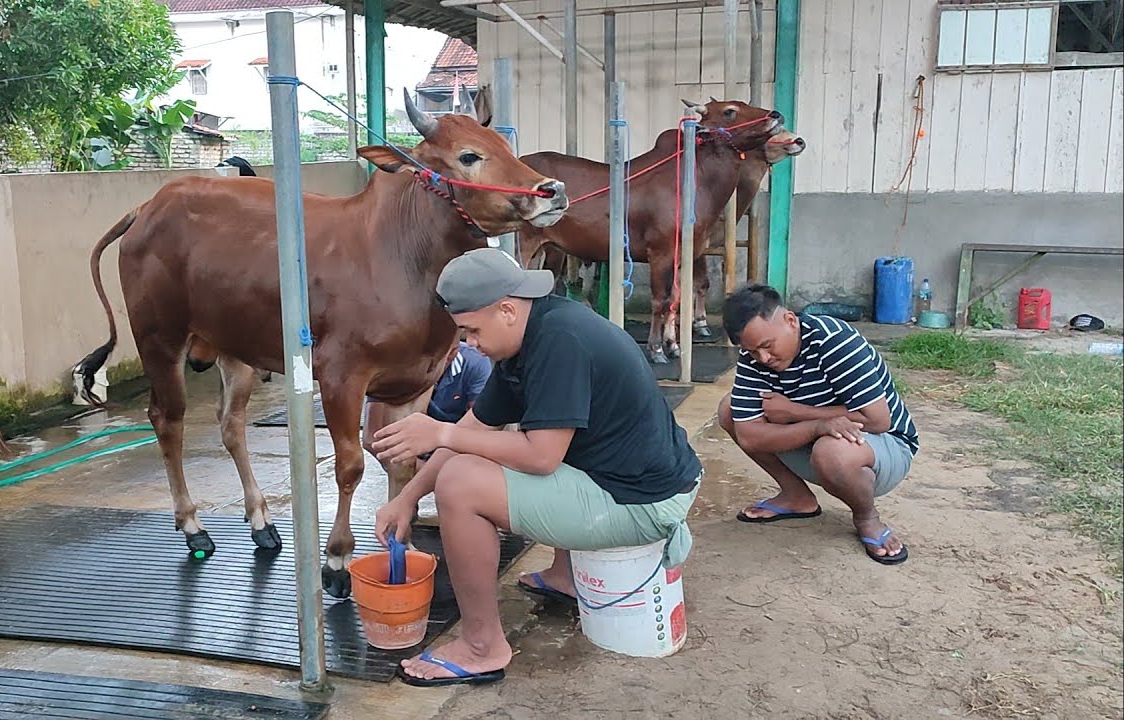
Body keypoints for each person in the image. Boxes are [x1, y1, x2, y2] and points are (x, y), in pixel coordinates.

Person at [370, 247, 703, 687]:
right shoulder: (534, 332)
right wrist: (407, 499)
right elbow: (476, 426)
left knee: (460, 483)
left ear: (506, 310)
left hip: (645, 502)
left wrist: (441, 434)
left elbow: (541, 458)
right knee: (495, 448)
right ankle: (565, 576)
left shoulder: (559, 343)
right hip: (631, 478)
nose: (469, 344)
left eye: (471, 331)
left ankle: (482, 647)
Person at [718, 284, 919, 565]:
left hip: (884, 446)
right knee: (730, 410)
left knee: (831, 450)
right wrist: (816, 427)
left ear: (790, 320)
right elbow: (750, 435)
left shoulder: (835, 341)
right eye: (752, 351)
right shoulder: (754, 358)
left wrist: (795, 412)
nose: (762, 358)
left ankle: (867, 518)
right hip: (816, 440)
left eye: (767, 346)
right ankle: (796, 497)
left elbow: (877, 419)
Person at [362, 339, 492, 466]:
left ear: (452, 353)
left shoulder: (475, 363)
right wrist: (417, 469)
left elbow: (480, 429)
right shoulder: (396, 364)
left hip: (455, 449)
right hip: (409, 453)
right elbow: (371, 439)